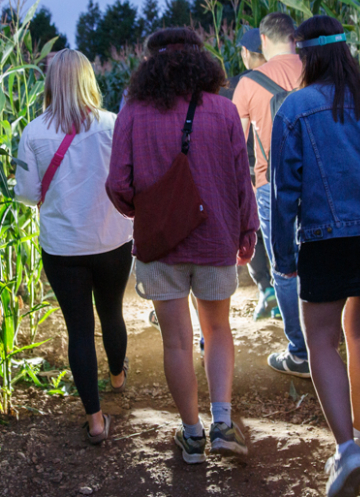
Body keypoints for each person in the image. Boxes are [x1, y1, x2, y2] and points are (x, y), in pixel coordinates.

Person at [269, 16, 360, 497]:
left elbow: (284, 192)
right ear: (346, 52)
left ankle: (346, 450)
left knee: (322, 341)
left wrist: (284, 255)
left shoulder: (296, 107)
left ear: (306, 56)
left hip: (328, 240)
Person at [106, 27, 259, 464]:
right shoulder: (224, 111)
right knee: (217, 331)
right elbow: (240, 180)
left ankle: (192, 435)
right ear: (201, 61)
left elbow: (118, 183)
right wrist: (246, 230)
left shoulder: (133, 111)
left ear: (150, 64)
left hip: (160, 245)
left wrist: (147, 211)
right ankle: (224, 424)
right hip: (215, 237)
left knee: (176, 341)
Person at [14, 48, 134, 444]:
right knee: (112, 312)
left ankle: (96, 421)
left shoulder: (33, 133)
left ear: (51, 84)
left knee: (79, 329)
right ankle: (117, 377)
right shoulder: (113, 125)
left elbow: (29, 196)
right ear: (88, 81)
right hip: (112, 238)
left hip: (63, 247)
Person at [231, 12, 309, 377]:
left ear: (263, 41)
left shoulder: (248, 83)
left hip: (271, 185)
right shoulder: (318, 69)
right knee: (319, 261)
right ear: (294, 37)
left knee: (285, 267)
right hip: (320, 182)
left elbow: (232, 146)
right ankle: (327, 344)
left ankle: (300, 351)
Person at [220, 28, 279, 321]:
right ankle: (280, 295)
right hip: (287, 170)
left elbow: (235, 137)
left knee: (254, 230)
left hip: (256, 171)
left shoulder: (242, 84)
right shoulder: (287, 75)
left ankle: (268, 290)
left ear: (246, 53)